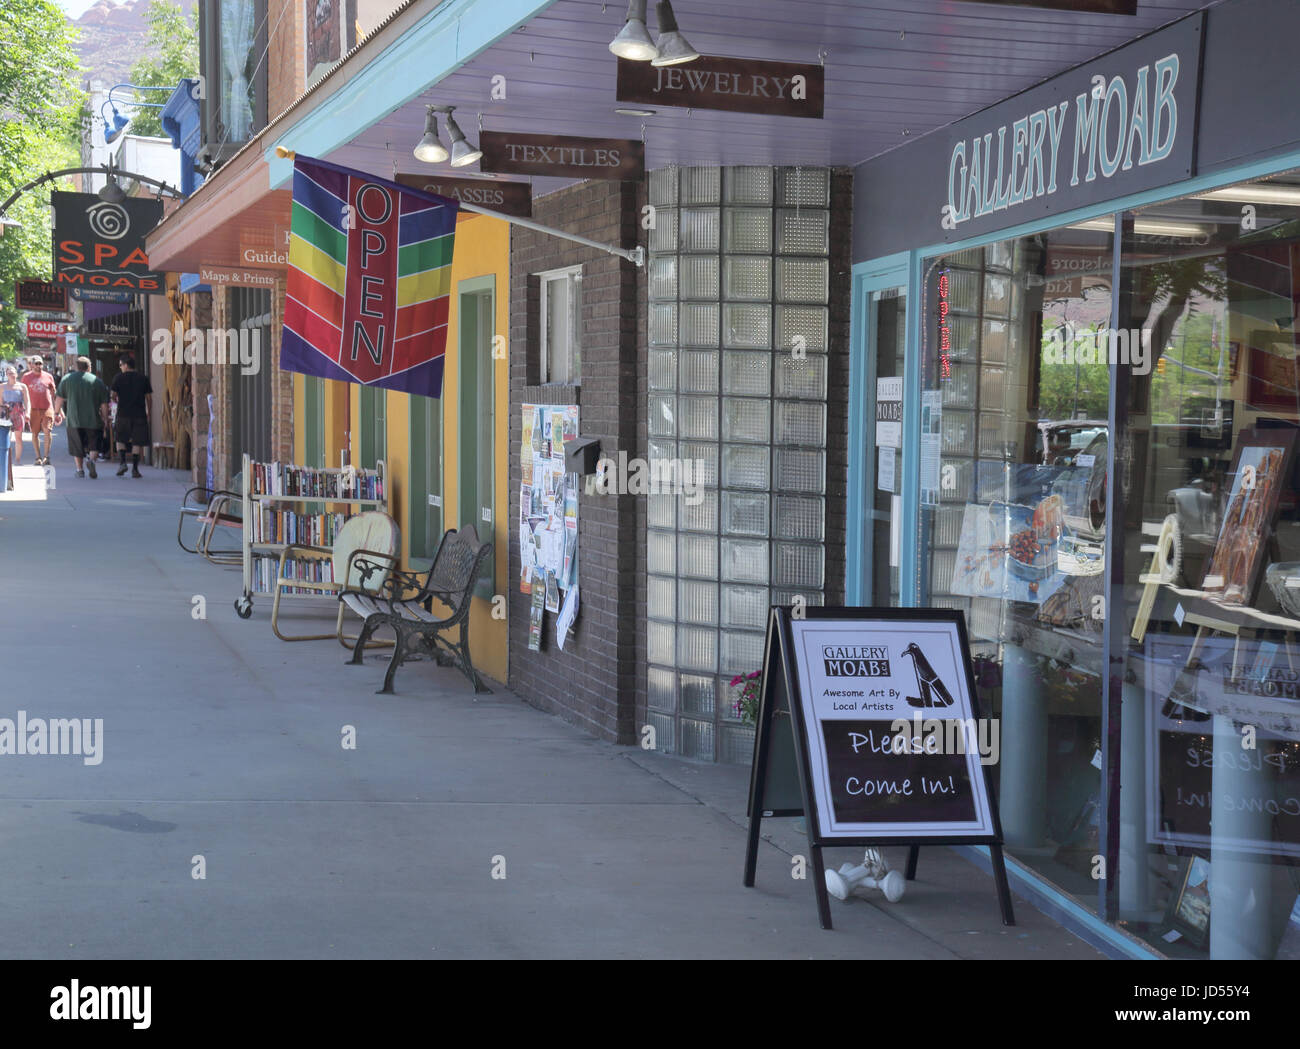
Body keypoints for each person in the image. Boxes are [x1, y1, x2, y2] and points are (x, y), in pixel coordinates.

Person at [54, 357, 110, 478]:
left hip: (74, 420)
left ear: (76, 367)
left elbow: (59, 398)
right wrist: (105, 419)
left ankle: (79, 470)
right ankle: (91, 461)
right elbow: (104, 404)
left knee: (77, 446)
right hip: (93, 420)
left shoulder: (67, 379)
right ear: (89, 367)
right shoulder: (97, 381)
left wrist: (56, 413)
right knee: (94, 444)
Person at [110, 353, 151, 477]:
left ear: (126, 365)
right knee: (137, 442)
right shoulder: (143, 378)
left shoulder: (118, 378)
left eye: (121, 365)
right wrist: (149, 412)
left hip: (123, 414)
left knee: (120, 439)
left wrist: (117, 400)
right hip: (139, 414)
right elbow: (149, 398)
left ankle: (122, 462)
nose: (120, 368)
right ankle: (135, 469)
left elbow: (113, 395)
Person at [20, 356, 58, 466]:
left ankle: (46, 456)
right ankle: (38, 457)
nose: (38, 366)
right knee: (35, 433)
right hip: (33, 409)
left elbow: (53, 393)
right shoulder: (26, 377)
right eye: (36, 364)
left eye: (40, 364)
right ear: (32, 365)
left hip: (47, 408)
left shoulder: (48, 376)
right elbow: (22, 393)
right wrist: (23, 409)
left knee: (47, 431)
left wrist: (58, 410)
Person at [2, 364, 31, 466]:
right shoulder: (2, 387)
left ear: (17, 374)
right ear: (6, 375)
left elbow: (27, 401)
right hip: (6, 413)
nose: (12, 375)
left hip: (19, 413)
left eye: (13, 373)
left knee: (18, 438)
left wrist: (28, 413)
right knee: (6, 437)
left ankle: (17, 460)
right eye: (9, 373)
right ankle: (6, 460)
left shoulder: (22, 386)